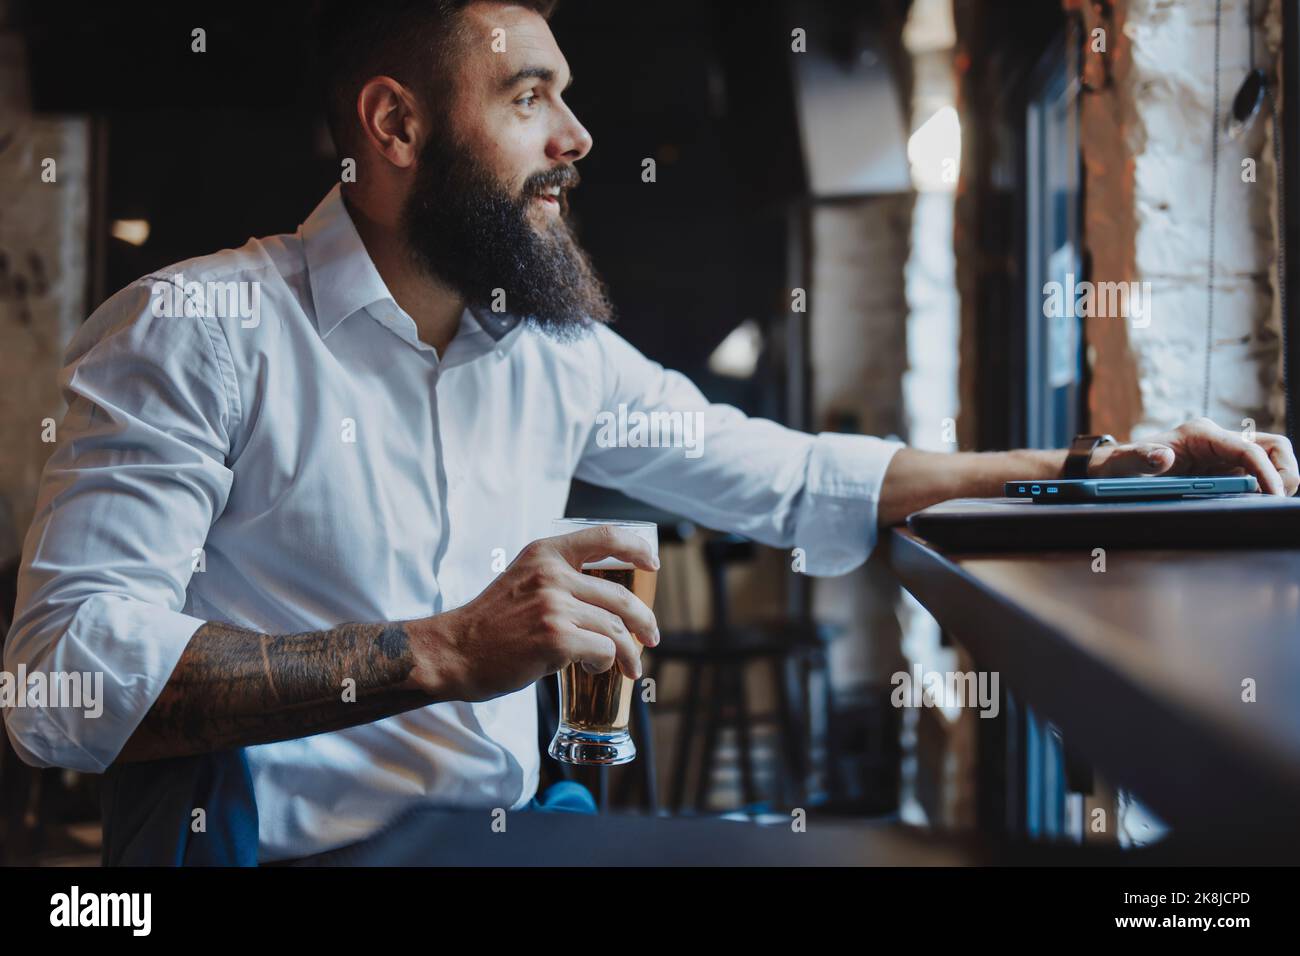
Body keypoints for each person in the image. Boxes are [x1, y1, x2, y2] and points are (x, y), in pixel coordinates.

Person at [4, 0, 1296, 865]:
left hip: (518, 832)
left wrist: (1084, 466)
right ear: (394, 126)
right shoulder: (197, 327)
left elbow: (788, 476)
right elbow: (58, 680)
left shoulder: (552, 353)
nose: (578, 136)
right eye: (527, 98)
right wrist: (447, 651)